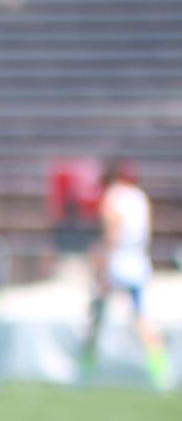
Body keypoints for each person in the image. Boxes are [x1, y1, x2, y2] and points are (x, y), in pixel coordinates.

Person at [83, 157, 169, 387]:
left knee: (97, 313)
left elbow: (114, 231)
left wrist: (103, 264)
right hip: (138, 259)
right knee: (141, 317)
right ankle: (160, 372)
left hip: (119, 262)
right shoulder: (139, 196)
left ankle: (85, 366)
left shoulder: (113, 197)